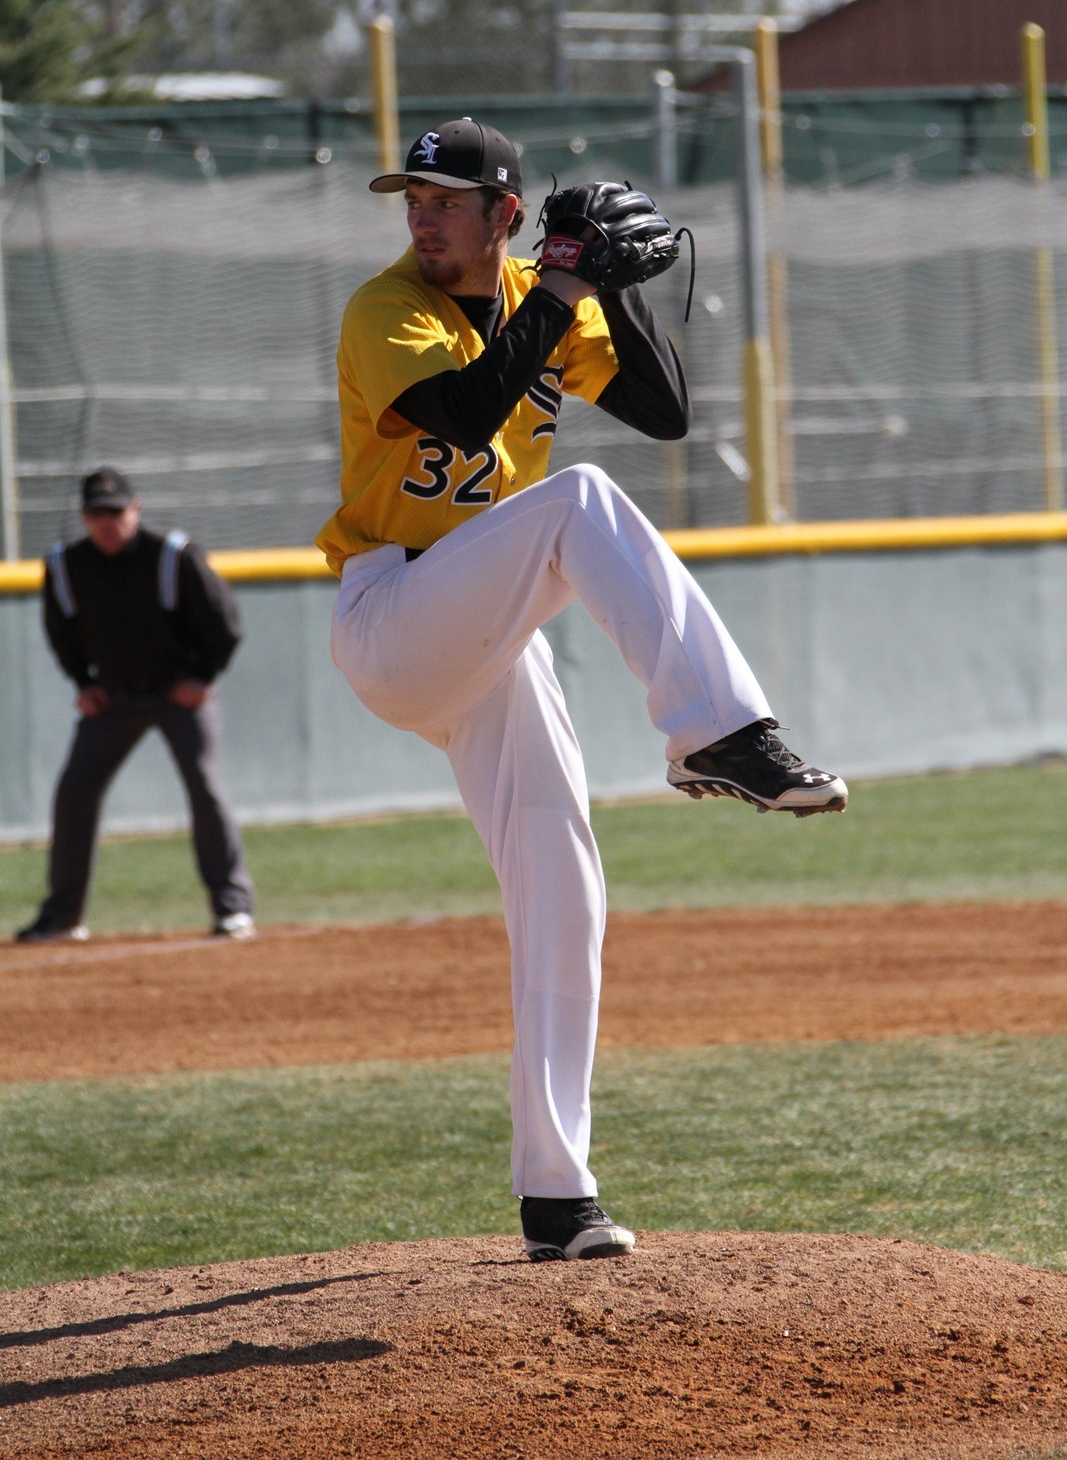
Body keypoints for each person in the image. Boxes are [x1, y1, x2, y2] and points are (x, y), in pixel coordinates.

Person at [317, 118, 847, 1263]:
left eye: (447, 200)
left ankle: (557, 1198)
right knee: (581, 504)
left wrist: (609, 282)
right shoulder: (384, 307)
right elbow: (463, 413)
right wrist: (557, 292)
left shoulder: (540, 289)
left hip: (488, 635)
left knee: (563, 888)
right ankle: (721, 733)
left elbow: (664, 411)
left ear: (504, 213)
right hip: (394, 616)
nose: (421, 215)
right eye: (412, 196)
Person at [15, 467, 255, 944]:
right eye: (96, 513)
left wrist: (202, 677)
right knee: (75, 791)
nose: (107, 522)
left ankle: (233, 908)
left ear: (136, 509)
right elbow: (60, 631)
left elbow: (224, 622)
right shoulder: (66, 564)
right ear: (83, 517)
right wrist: (82, 682)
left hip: (177, 693)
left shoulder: (171, 555)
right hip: (116, 695)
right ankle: (63, 916)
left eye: (116, 512)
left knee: (203, 784)